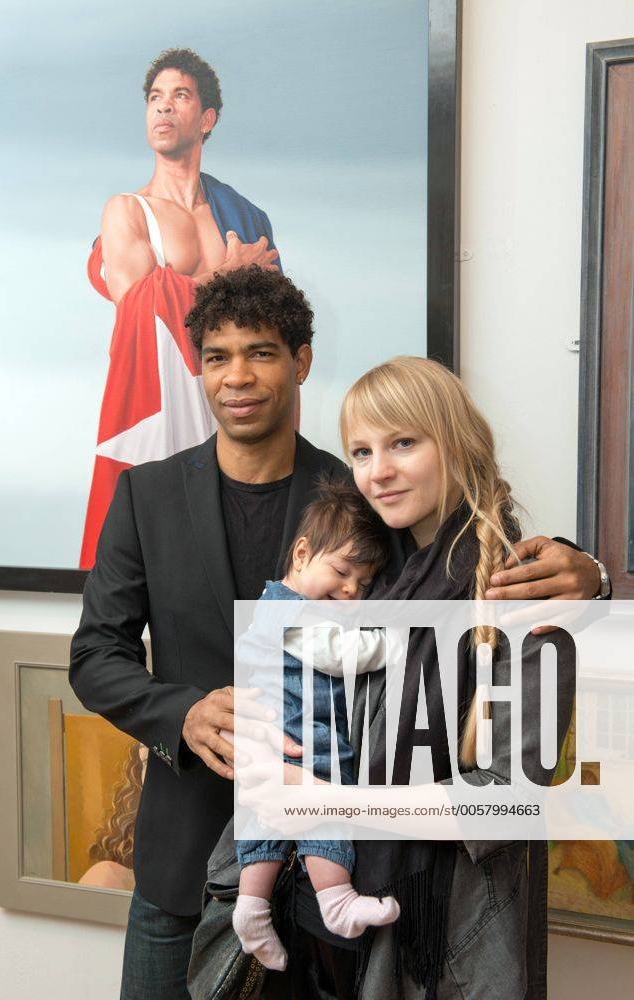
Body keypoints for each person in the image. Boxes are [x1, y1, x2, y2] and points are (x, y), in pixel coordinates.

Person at [69, 266, 605, 1000]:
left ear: (299, 363)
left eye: (259, 352)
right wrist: (188, 713)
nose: (378, 471)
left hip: (373, 898)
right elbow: (96, 655)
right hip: (210, 856)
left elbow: (511, 780)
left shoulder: (370, 514)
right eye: (217, 357)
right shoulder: (157, 496)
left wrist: (595, 578)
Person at [236, 354, 580, 998]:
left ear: (458, 444)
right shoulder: (370, 586)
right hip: (327, 933)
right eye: (361, 452)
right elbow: (298, 690)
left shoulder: (529, 599)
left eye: (402, 442)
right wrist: (256, 734)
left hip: (444, 942)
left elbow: (501, 803)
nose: (378, 471)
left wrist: (322, 796)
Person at [79, 47, 281, 569]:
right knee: (156, 558)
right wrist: (231, 275)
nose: (163, 108)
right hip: (159, 400)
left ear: (206, 119)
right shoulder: (127, 210)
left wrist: (227, 282)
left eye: (180, 97)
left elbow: (273, 322)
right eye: (155, 98)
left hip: (231, 400)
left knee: (239, 557)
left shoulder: (244, 217)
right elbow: (140, 303)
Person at [231, 481, 400, 972]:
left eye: (362, 586)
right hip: (302, 738)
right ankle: (338, 899)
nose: (350, 590)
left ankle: (252, 907)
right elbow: (336, 655)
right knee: (324, 807)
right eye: (343, 572)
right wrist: (395, 645)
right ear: (302, 554)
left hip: (272, 738)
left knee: (264, 824)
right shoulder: (290, 610)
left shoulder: (278, 605)